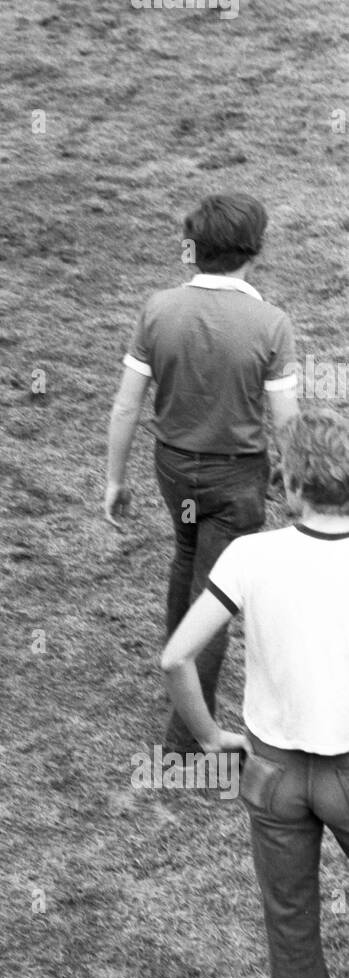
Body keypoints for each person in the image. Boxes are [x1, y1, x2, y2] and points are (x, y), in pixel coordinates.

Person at [161, 406, 349, 978]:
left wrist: (209, 737)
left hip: (270, 774)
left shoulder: (248, 556)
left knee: (291, 933)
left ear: (290, 481)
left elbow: (176, 657)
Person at [105, 193, 299, 750]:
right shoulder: (271, 324)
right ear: (254, 251)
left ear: (194, 249)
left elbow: (125, 406)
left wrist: (115, 479)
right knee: (217, 591)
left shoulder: (158, 309)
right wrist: (293, 476)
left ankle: (179, 678)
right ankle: (190, 739)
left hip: (173, 470)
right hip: (237, 479)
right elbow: (286, 419)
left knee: (187, 558)